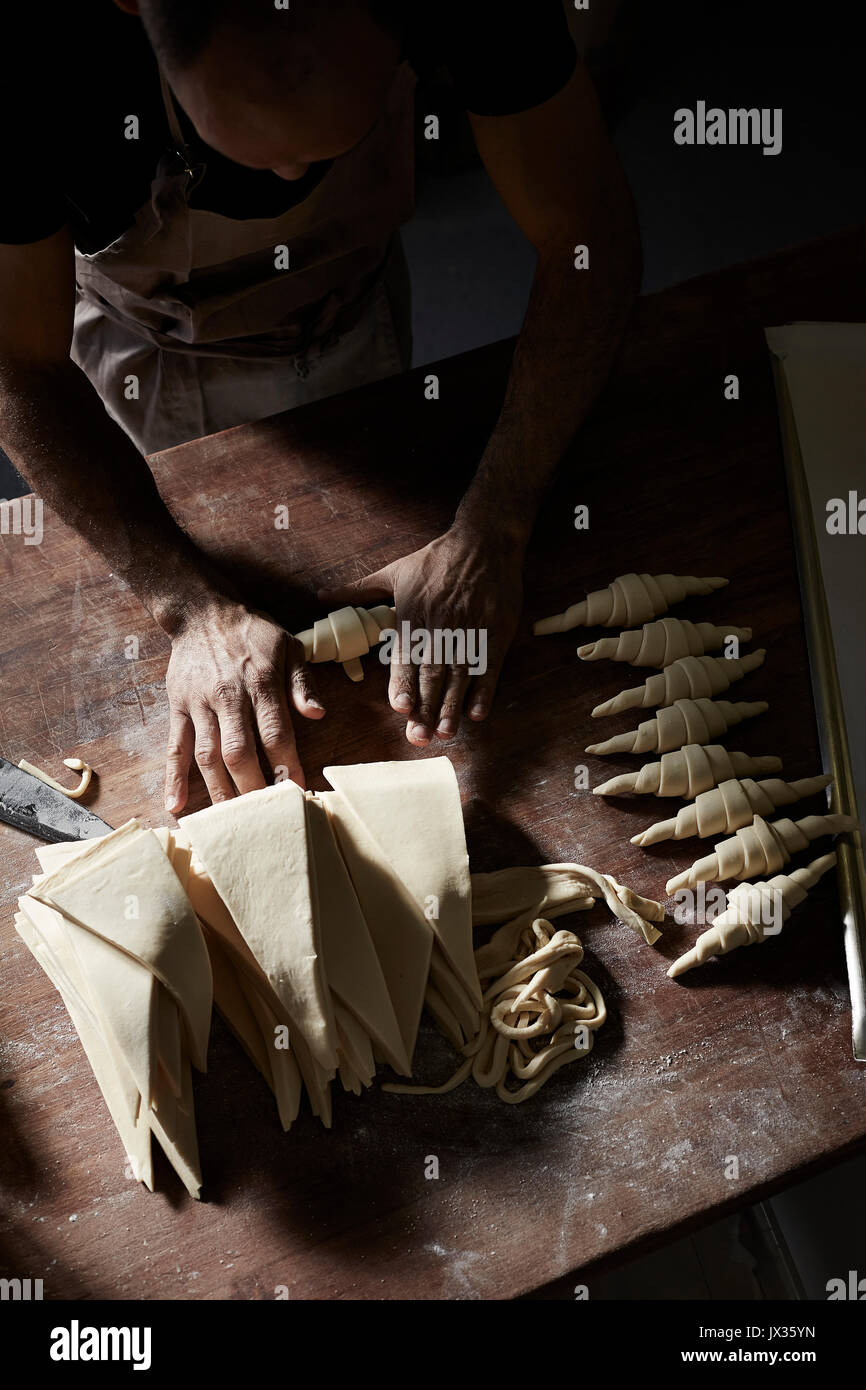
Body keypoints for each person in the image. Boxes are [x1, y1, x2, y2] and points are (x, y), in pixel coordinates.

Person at [0, 0, 640, 811]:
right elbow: (20, 367)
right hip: (153, 352)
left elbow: (588, 233)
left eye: (326, 136)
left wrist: (493, 528)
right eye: (257, 137)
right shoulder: (26, 62)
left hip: (354, 300)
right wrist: (188, 605)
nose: (292, 178)